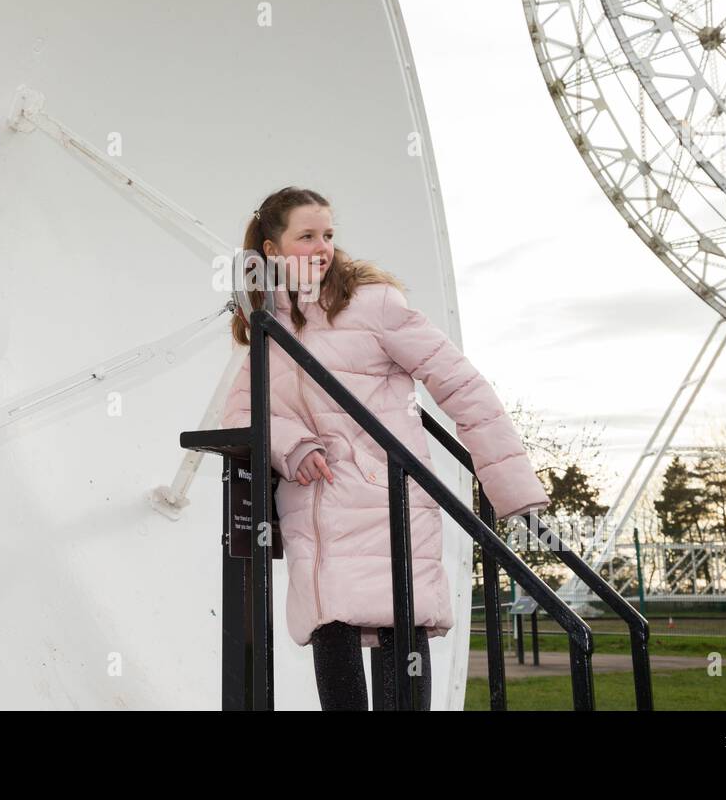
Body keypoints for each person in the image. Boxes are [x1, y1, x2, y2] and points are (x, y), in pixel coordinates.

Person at [219, 186, 552, 710]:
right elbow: (239, 413)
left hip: (388, 503)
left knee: (403, 637)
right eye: (306, 235)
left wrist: (513, 489)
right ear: (272, 247)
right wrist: (291, 444)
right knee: (334, 641)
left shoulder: (372, 304)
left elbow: (460, 384)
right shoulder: (267, 326)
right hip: (319, 512)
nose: (322, 247)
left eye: (327, 234)